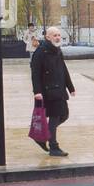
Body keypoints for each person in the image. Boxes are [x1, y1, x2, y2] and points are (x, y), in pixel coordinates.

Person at [30, 25, 76, 157]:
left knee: (64, 115)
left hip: (60, 90)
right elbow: (35, 73)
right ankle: (53, 146)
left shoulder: (57, 50)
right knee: (55, 117)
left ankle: (42, 138)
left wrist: (70, 87)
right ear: (47, 37)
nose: (57, 37)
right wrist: (37, 91)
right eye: (54, 35)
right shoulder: (40, 52)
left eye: (58, 35)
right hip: (48, 92)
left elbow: (63, 70)